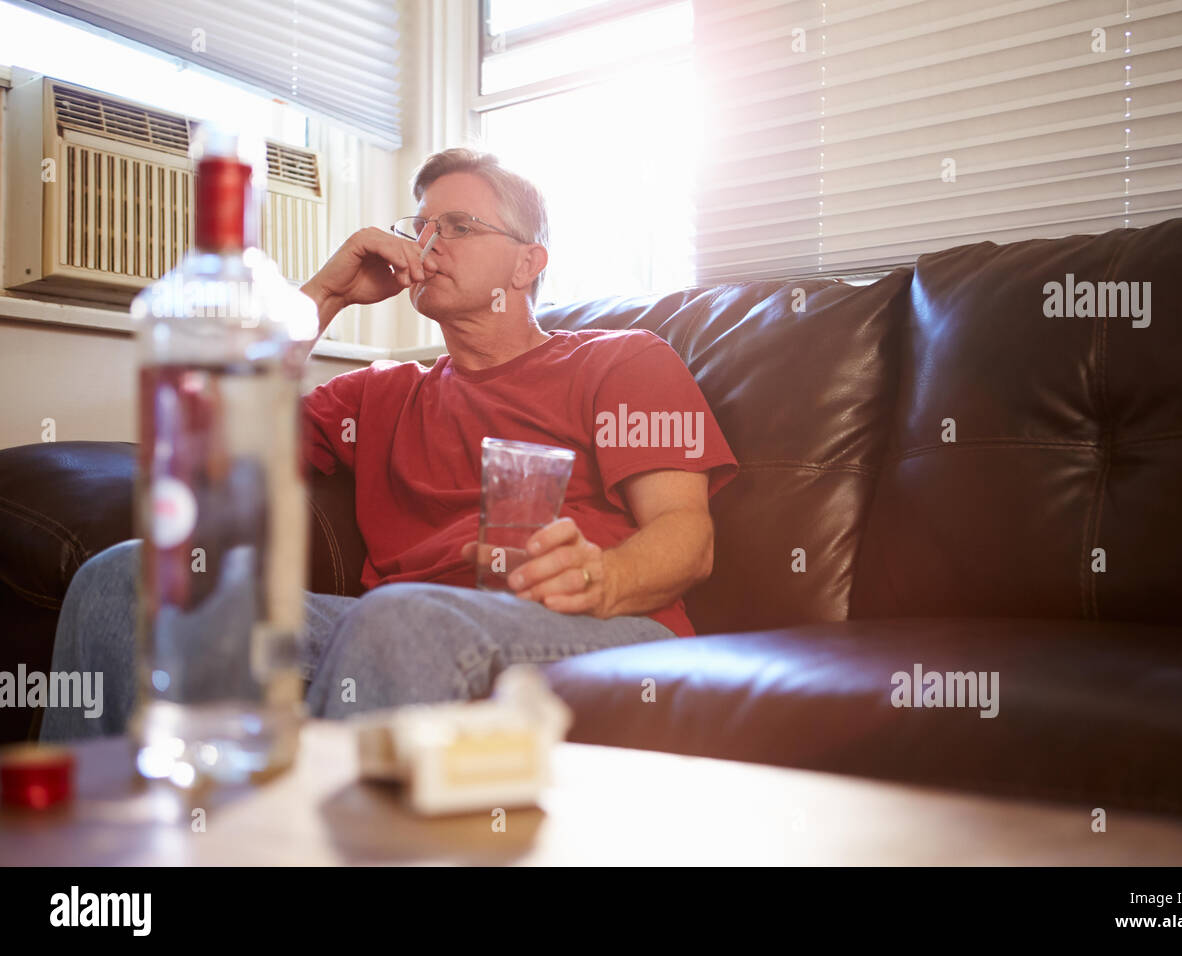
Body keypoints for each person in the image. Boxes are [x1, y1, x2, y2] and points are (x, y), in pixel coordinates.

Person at [40, 147, 737, 741]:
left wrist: (601, 578)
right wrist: (327, 292)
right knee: (125, 579)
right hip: (389, 630)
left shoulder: (621, 360)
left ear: (528, 264)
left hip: (604, 629)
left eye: (458, 226)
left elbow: (689, 537)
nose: (428, 245)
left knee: (400, 617)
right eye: (420, 226)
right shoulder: (378, 395)